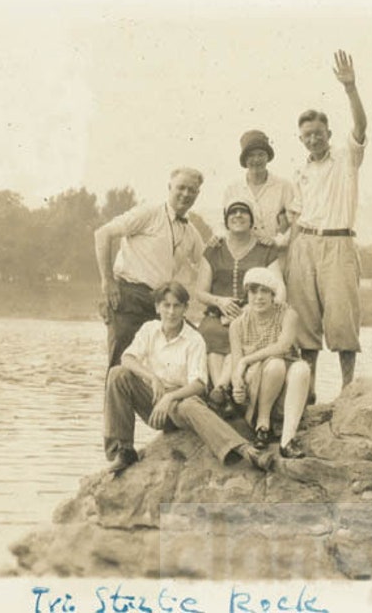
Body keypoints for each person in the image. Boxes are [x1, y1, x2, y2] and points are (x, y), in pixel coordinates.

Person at [103, 282, 275, 475]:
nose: (171, 312)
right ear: (157, 307)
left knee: (187, 404)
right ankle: (123, 450)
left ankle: (246, 451)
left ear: (185, 308)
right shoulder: (149, 329)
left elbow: (199, 385)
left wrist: (170, 397)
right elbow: (127, 358)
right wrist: (152, 378)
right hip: (153, 403)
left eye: (177, 306)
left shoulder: (194, 339)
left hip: (182, 405)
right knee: (117, 374)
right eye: (166, 306)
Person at [285, 50, 368, 401]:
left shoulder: (347, 157)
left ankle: (348, 390)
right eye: (307, 134)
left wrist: (350, 88)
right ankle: (311, 391)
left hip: (338, 243)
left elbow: (361, 127)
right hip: (303, 245)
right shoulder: (300, 171)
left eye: (319, 133)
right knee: (305, 322)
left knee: (341, 320)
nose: (314, 139)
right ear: (300, 138)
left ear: (328, 133)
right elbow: (293, 214)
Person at [94, 168, 206, 370]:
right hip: (129, 298)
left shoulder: (191, 232)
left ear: (198, 194)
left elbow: (209, 264)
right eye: (181, 187)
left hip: (161, 304)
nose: (185, 194)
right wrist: (107, 280)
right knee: (121, 366)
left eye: (192, 190)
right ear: (169, 187)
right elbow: (102, 234)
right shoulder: (150, 213)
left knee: (194, 343)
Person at [193, 198, 280, 410]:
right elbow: (199, 292)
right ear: (226, 220)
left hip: (252, 315)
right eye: (233, 212)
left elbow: (278, 286)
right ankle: (222, 395)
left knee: (239, 336)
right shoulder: (213, 249)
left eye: (244, 212)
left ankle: (223, 388)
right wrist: (219, 301)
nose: (238, 215)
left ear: (252, 220)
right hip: (217, 314)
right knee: (211, 332)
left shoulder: (265, 249)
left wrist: (251, 308)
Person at [228, 267, 310, 459]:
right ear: (246, 294)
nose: (259, 297)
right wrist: (237, 386)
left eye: (265, 291)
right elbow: (235, 367)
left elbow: (282, 347)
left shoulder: (288, 314)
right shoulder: (237, 324)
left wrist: (246, 360)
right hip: (257, 388)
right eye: (253, 291)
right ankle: (262, 425)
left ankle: (287, 440)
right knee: (275, 366)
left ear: (273, 295)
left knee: (301, 369)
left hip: (285, 386)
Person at [222, 130, 296, 247]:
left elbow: (295, 223)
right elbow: (225, 224)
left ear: (268, 157)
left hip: (277, 253)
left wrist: (278, 240)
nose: (256, 160)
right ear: (244, 159)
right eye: (251, 155)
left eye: (261, 154)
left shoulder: (284, 186)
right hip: (245, 253)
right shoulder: (233, 189)